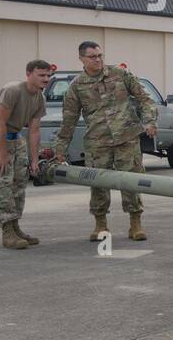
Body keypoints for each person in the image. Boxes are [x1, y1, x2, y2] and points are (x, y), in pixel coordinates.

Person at [53, 41, 157, 241]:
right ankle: (101, 226)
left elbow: (145, 98)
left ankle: (135, 224)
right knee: (98, 184)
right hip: (97, 143)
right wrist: (60, 149)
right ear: (82, 59)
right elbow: (69, 120)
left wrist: (150, 120)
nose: (98, 59)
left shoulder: (120, 75)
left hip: (127, 138)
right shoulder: (77, 86)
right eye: (93, 56)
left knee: (131, 181)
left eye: (100, 55)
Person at [0, 60, 54, 249]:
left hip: (15, 137)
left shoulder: (39, 98)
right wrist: (2, 155)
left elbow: (34, 130)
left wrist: (35, 159)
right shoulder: (13, 91)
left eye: (48, 75)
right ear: (29, 74)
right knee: (1, 183)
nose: (46, 79)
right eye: (41, 75)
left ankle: (15, 226)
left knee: (18, 184)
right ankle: (7, 232)